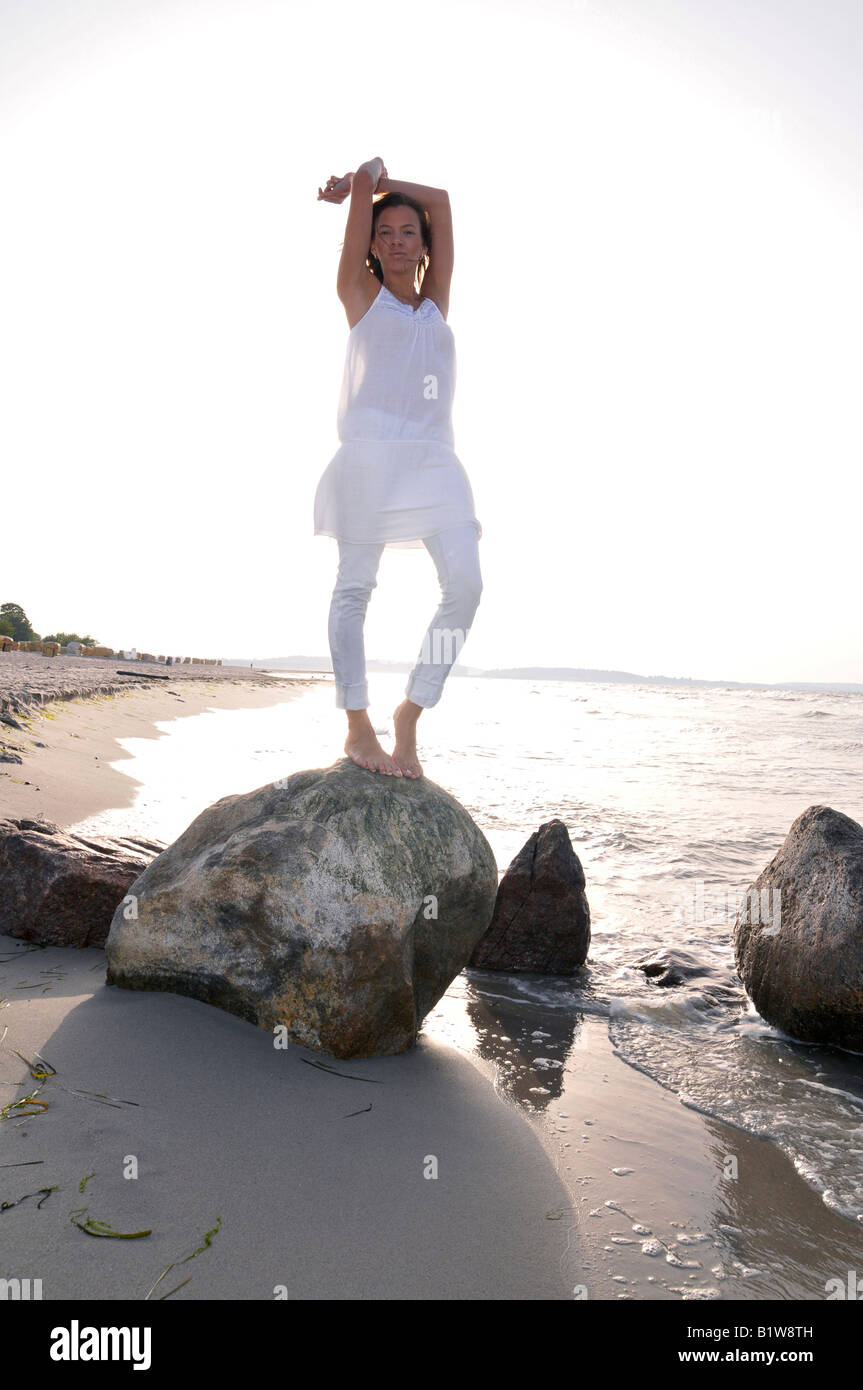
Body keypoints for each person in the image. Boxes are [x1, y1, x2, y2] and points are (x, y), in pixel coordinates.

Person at [315, 157, 483, 780]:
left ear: (423, 245)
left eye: (406, 232)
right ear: (370, 247)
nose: (394, 240)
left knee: (465, 586)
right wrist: (364, 188)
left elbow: (439, 198)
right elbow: (364, 176)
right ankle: (358, 726)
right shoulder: (359, 297)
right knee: (353, 591)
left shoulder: (435, 302)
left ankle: (412, 708)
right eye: (383, 233)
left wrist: (384, 187)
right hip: (368, 460)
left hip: (435, 464)